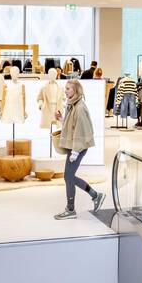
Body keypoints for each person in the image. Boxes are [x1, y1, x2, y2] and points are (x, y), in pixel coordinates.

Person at [53, 80, 104, 220]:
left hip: (78, 147)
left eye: (68, 89)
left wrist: (75, 151)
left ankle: (71, 209)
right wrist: (62, 119)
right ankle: (95, 195)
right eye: (66, 88)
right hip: (75, 146)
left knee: (68, 177)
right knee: (69, 176)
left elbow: (81, 131)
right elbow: (72, 125)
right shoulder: (73, 105)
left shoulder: (79, 107)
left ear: (75, 90)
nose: (65, 91)